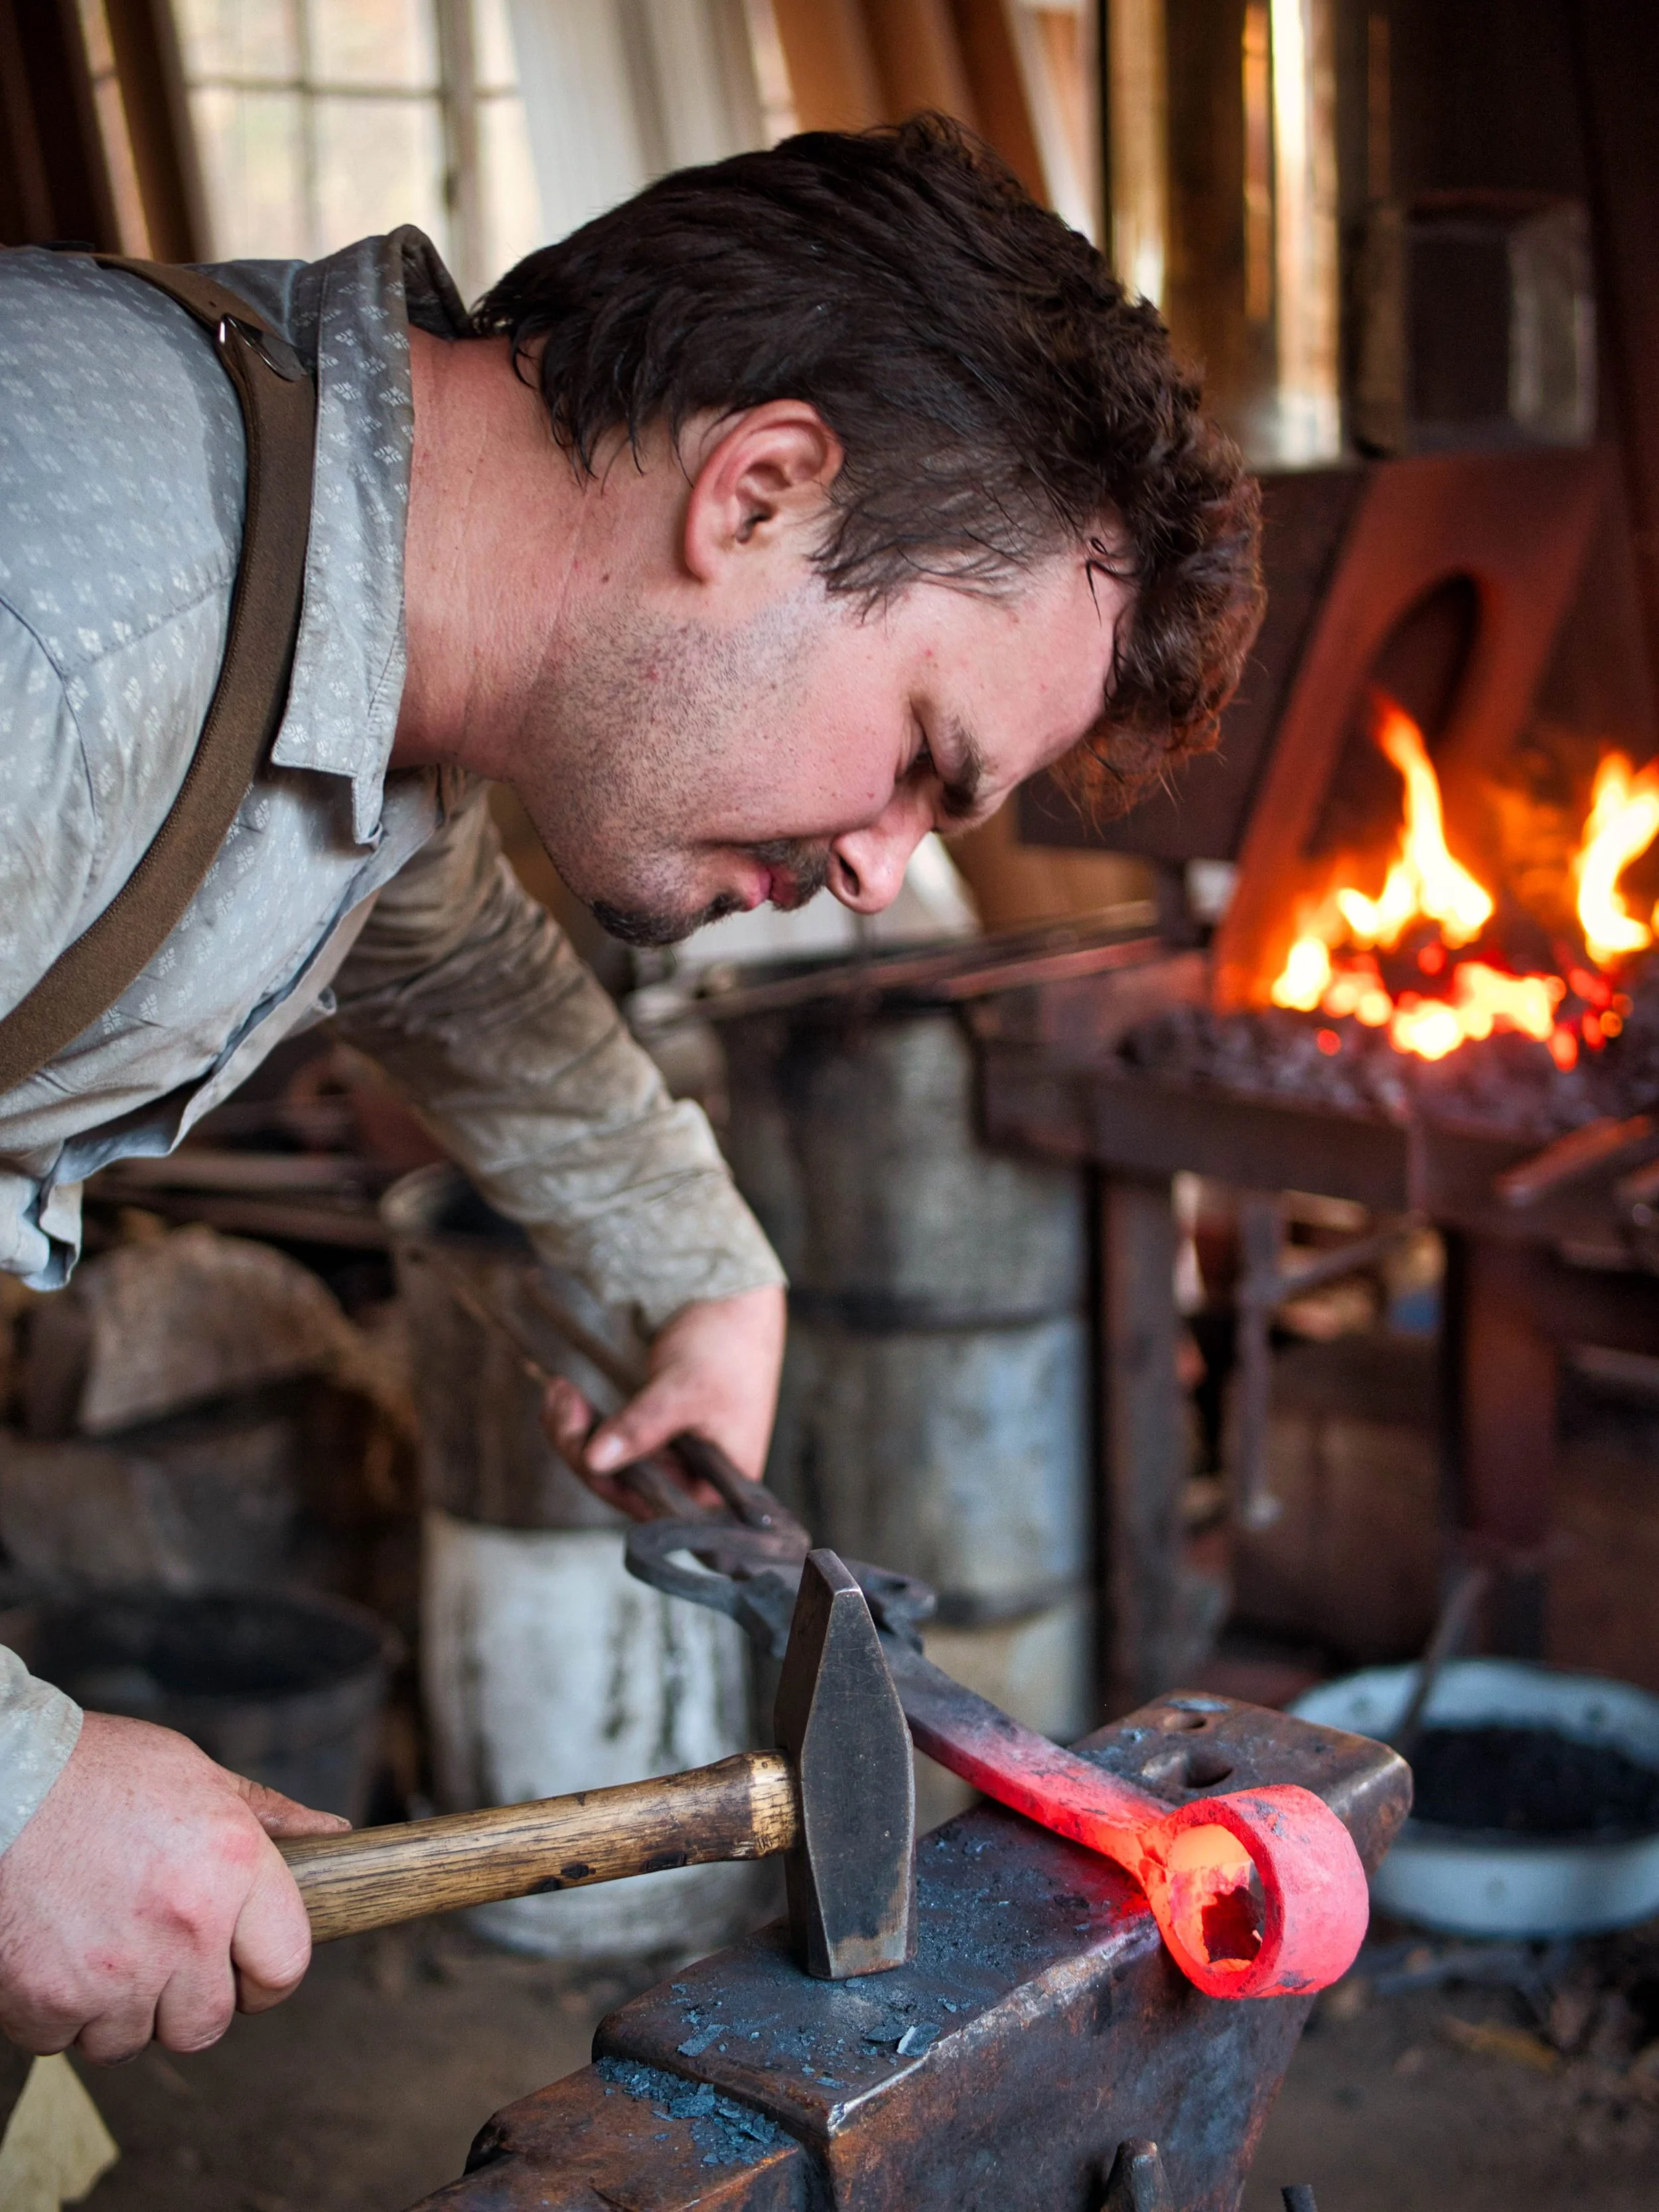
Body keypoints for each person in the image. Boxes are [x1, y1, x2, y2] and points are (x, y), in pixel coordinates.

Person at [0, 116, 1261, 2065]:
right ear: (759, 490)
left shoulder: (353, 633)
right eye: (921, 755)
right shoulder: (63, 634)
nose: (882, 871)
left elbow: (435, 943)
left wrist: (694, 1261)